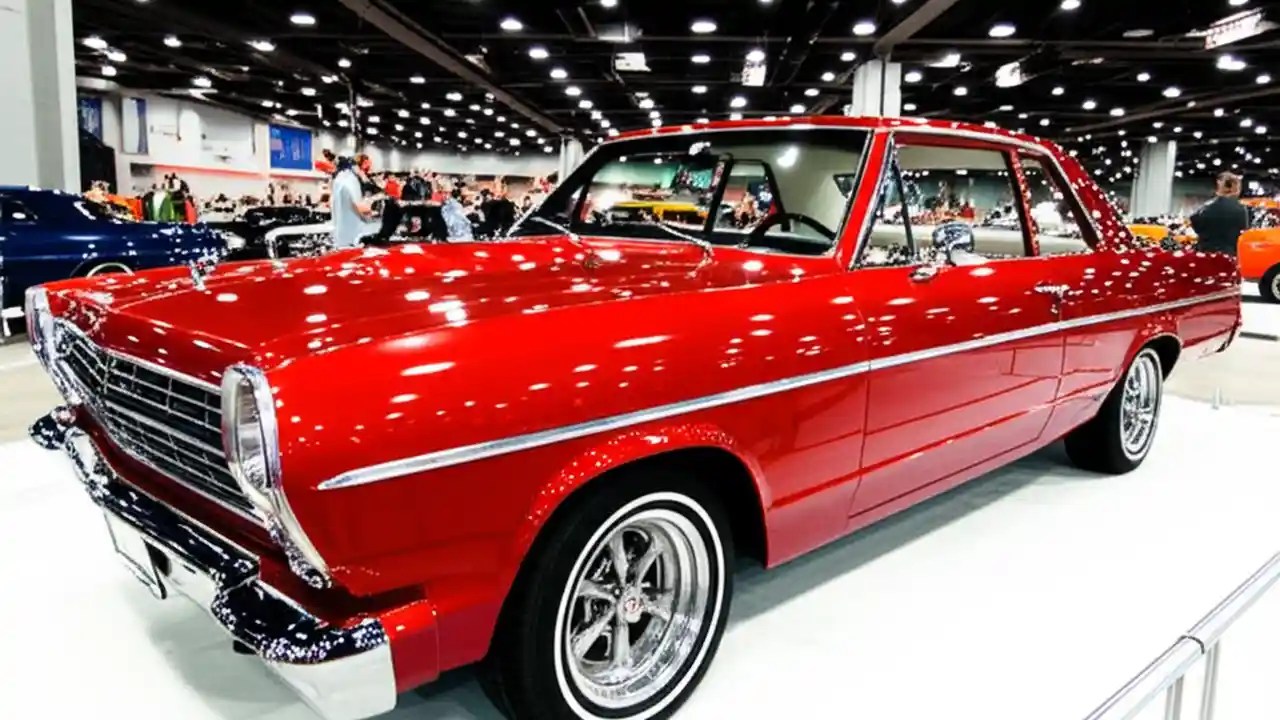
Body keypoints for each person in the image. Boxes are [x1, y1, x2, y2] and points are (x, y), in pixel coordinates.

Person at [1189, 172, 1249, 256]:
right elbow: (1244, 231)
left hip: (1206, 253)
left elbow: (1194, 221)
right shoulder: (1242, 209)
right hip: (1230, 254)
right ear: (1236, 188)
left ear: (1220, 186)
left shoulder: (1207, 207)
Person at [331, 153, 376, 249]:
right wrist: (368, 213)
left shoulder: (340, 178)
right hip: (351, 236)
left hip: (342, 234)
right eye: (366, 169)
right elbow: (356, 205)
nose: (366, 173)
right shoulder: (351, 180)